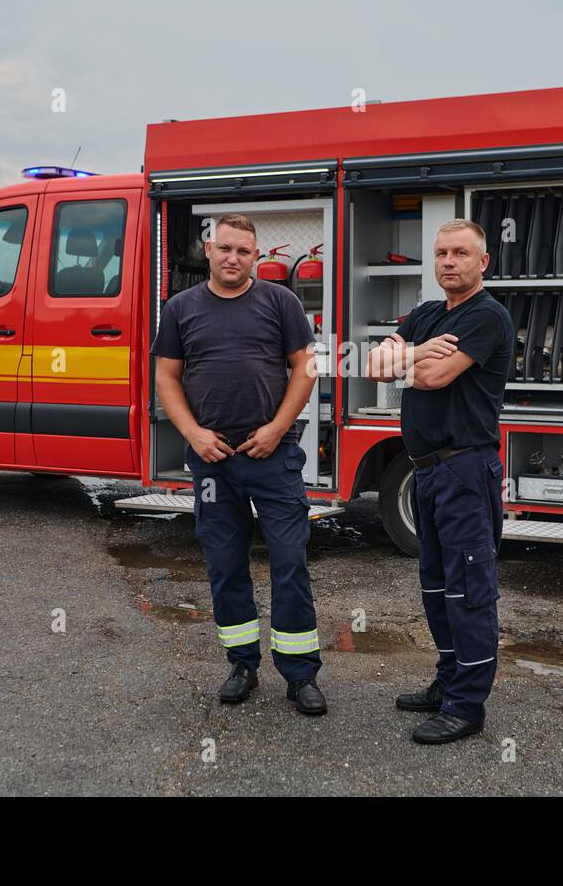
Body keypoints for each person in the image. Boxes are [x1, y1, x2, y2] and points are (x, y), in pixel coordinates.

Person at [152, 213, 326, 715]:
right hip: (213, 462)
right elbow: (166, 377)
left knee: (290, 562)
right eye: (225, 248)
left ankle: (300, 675)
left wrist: (276, 428)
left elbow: (305, 367)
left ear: (255, 256)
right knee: (225, 565)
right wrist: (193, 434)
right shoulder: (181, 308)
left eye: (244, 251)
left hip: (273, 456)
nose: (233, 258)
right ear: (209, 249)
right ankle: (242, 665)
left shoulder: (281, 302)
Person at [366, 218, 512, 744]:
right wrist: (416, 351)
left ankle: (467, 707)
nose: (448, 262)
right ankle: (448, 682)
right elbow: (374, 365)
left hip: (465, 470)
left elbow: (432, 377)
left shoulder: (487, 317)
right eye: (442, 253)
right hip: (425, 470)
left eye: (460, 253)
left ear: (482, 262)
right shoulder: (428, 314)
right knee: (435, 584)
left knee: (469, 588)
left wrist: (410, 358)